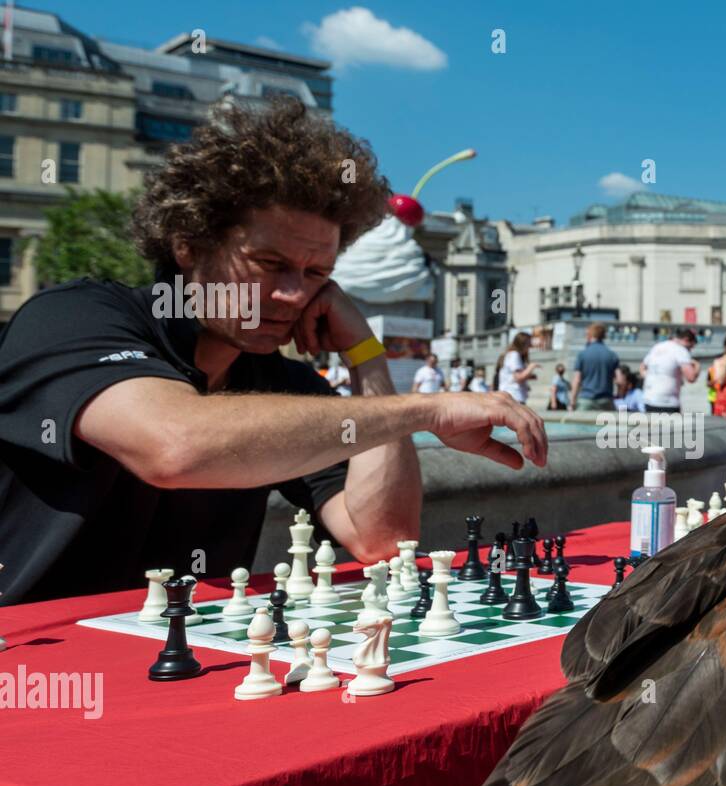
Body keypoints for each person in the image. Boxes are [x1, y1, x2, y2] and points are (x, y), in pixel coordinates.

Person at [0, 98, 547, 606]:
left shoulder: (285, 385)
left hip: (192, 666)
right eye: (268, 264)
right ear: (188, 245)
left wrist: (367, 356)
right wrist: (427, 410)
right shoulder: (72, 317)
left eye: (316, 273)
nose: (293, 295)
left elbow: (383, 539)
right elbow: (175, 447)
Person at [640, 327, 700, 413]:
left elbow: (642, 367)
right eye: (691, 347)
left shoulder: (657, 347)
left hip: (649, 400)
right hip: (667, 403)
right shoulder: (680, 350)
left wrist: (654, 379)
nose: (690, 350)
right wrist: (697, 367)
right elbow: (691, 377)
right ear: (686, 340)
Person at [569, 322, 621, 411]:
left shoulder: (582, 354)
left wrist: (572, 402)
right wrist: (618, 395)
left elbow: (577, 380)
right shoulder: (612, 355)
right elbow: (620, 380)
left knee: (580, 424)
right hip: (606, 400)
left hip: (586, 400)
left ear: (589, 336)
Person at [496, 331, 540, 404]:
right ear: (522, 344)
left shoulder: (514, 355)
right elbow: (518, 377)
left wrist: (529, 376)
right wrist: (531, 367)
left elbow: (514, 376)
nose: (530, 346)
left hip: (514, 396)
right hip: (513, 395)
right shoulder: (514, 355)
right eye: (528, 343)